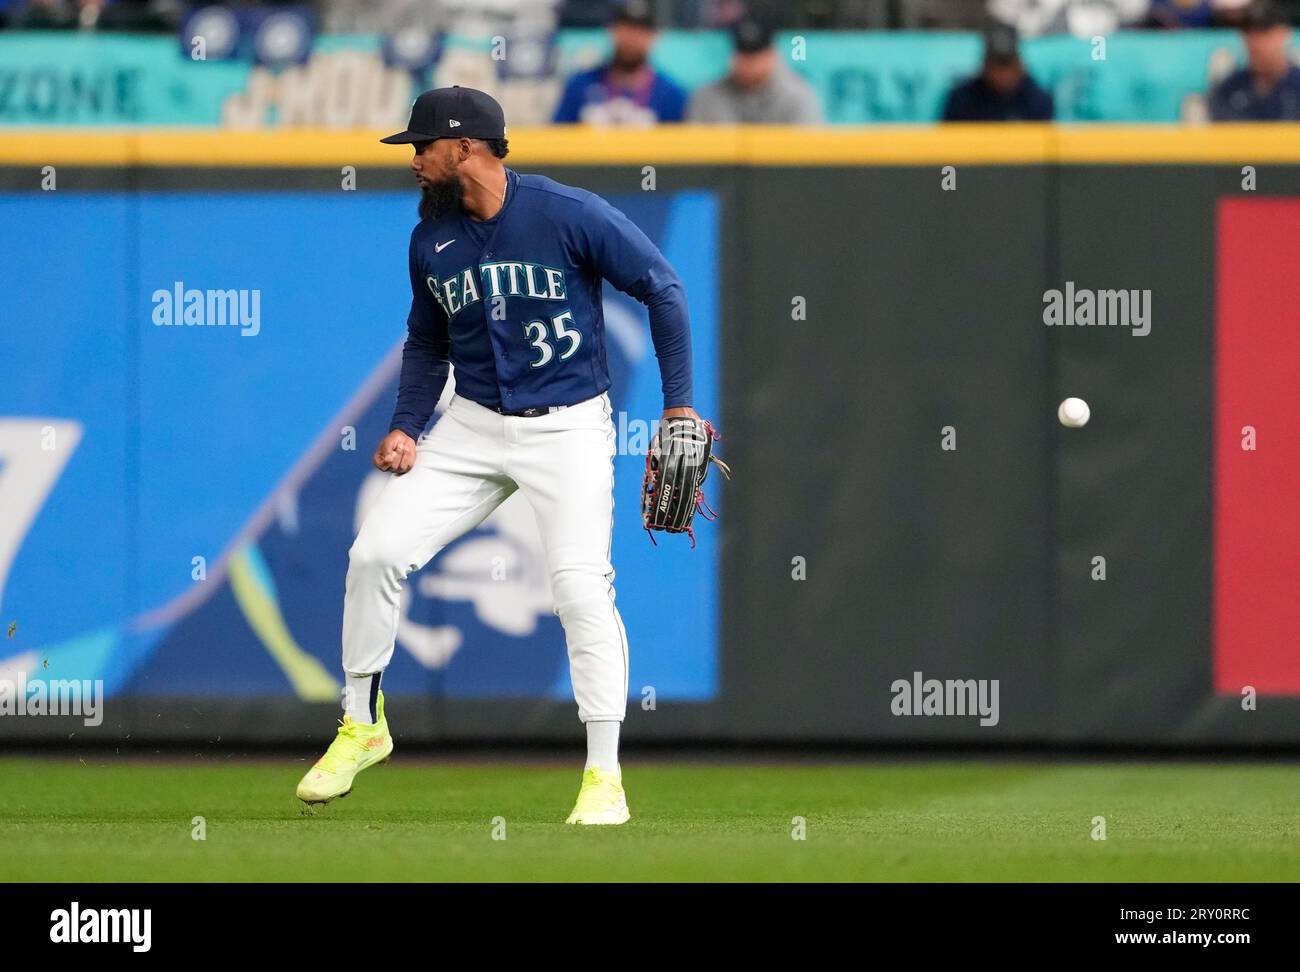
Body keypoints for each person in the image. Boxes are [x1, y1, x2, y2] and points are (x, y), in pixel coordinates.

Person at [295, 86, 699, 826]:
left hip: (569, 427)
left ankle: (604, 778)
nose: (414, 159)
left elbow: (663, 288)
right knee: (375, 553)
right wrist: (408, 425)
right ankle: (362, 722)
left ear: (466, 148)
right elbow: (427, 340)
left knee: (580, 589)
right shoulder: (432, 241)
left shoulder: (564, 213)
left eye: (423, 146)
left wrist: (677, 405)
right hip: (474, 425)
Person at [552, 0, 688, 125]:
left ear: (653, 37)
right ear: (611, 31)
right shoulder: (580, 84)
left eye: (639, 31)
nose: (630, 39)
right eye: (625, 29)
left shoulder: (670, 94)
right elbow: (556, 137)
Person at [686, 15, 823, 124]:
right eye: (744, 54)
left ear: (772, 53)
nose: (751, 63)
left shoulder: (798, 96)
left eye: (757, 55)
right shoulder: (708, 96)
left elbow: (807, 154)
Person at [941, 23, 1054, 122]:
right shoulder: (961, 100)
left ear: (1019, 65)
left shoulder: (1038, 100)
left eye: (1007, 64)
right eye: (996, 65)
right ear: (985, 65)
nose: (1002, 74)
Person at [1209, 1, 1300, 121]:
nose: (1255, 41)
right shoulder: (1228, 90)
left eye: (1264, 31)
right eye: (1249, 31)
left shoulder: (1296, 85)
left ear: (1283, 33)